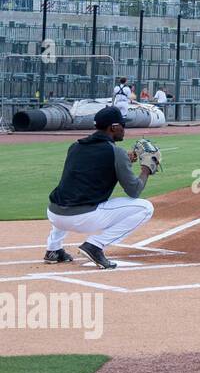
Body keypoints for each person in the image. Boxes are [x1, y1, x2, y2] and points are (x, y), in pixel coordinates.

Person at [43, 106, 155, 270]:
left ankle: (53, 249)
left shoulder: (75, 146)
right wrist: (146, 169)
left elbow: (95, 164)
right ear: (113, 127)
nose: (124, 129)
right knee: (145, 208)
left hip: (54, 214)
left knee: (68, 194)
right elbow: (134, 191)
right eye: (122, 125)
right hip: (83, 218)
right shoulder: (116, 153)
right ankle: (95, 245)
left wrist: (123, 161)